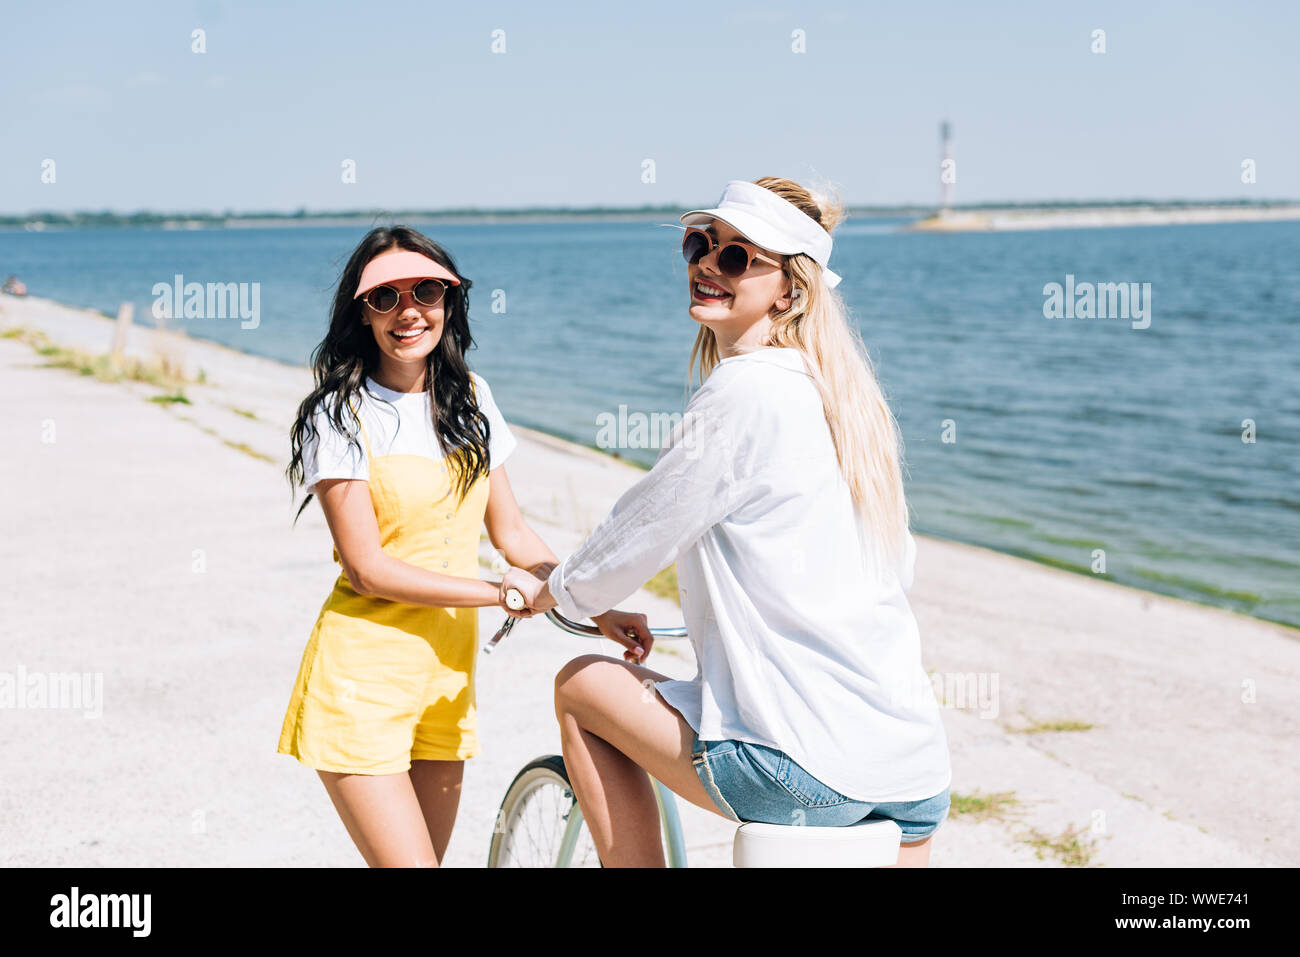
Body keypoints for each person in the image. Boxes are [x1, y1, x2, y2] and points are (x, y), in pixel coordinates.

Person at [502, 178, 952, 867]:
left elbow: (645, 524)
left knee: (580, 684)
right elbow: (896, 565)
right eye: (699, 243)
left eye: (739, 256)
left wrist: (557, 591)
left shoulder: (745, 390)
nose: (708, 263)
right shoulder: (846, 400)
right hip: (913, 771)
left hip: (803, 767)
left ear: (789, 291)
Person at [278, 227, 646, 867]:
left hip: (445, 677)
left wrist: (594, 606)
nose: (408, 311)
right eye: (384, 298)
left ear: (449, 300)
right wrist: (499, 592)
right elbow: (367, 570)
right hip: (363, 679)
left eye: (425, 291)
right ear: (359, 311)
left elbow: (513, 536)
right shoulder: (338, 416)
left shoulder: (470, 399)